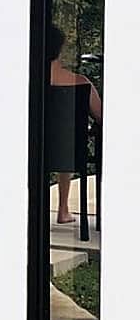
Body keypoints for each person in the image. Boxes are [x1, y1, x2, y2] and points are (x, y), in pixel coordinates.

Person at [48, 24, 102, 224]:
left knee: (60, 139)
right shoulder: (81, 83)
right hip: (70, 151)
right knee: (67, 139)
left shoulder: (31, 83)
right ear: (61, 50)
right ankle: (63, 209)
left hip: (37, 150)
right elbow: (101, 117)